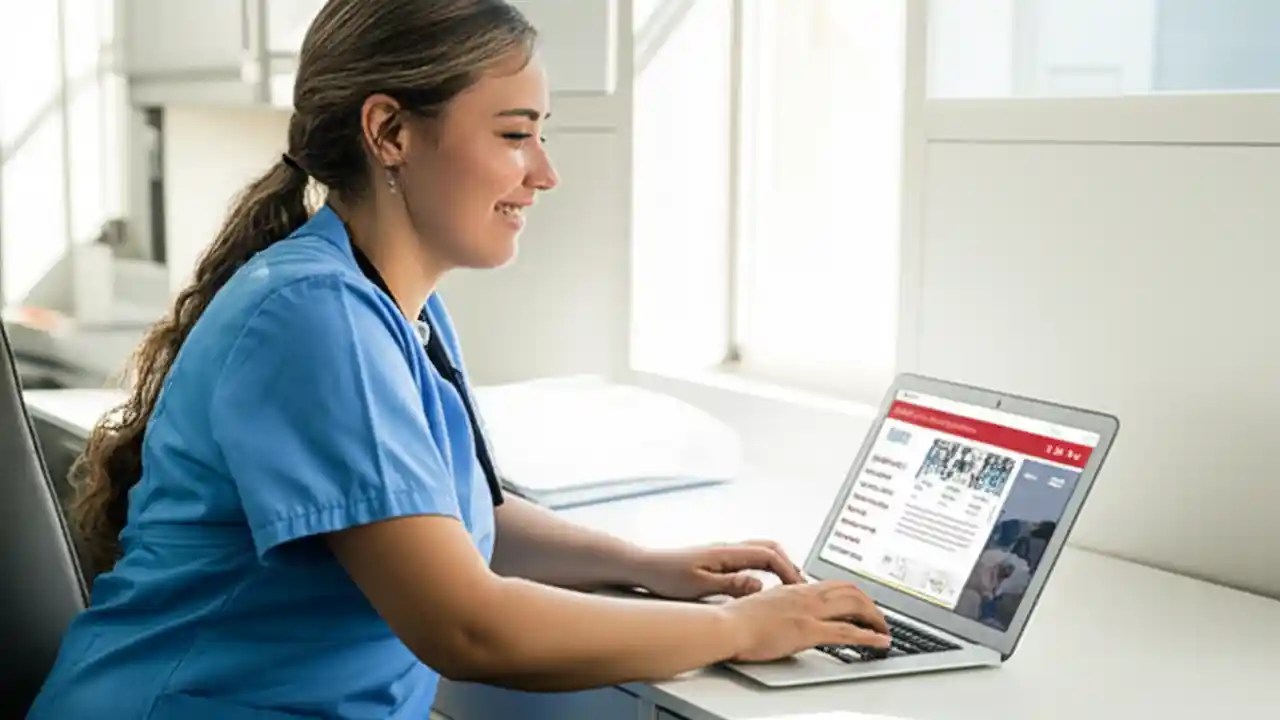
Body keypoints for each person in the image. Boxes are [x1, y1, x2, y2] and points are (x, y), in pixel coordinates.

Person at [28, 1, 889, 717]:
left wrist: (646, 566)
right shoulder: (313, 315)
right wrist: (748, 629)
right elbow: (468, 628)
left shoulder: (395, 302)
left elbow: (452, 518)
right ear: (389, 130)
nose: (544, 171)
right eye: (515, 134)